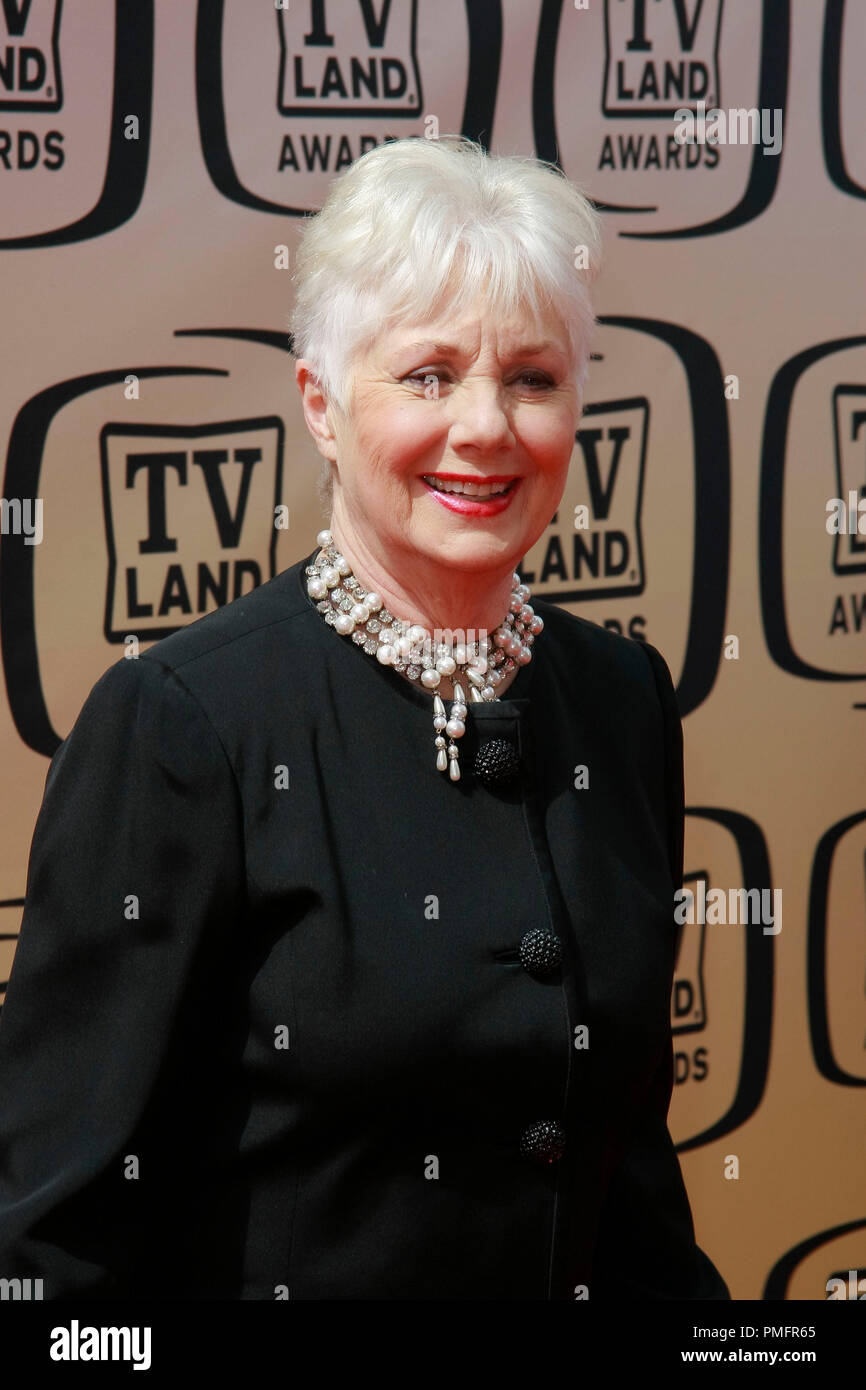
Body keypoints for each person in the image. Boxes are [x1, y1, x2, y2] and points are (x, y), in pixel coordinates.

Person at [0, 135, 730, 1300]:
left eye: (532, 378)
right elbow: (57, 1235)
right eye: (428, 375)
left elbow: (622, 1177)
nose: (486, 427)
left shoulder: (618, 700)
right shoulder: (185, 726)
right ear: (321, 404)